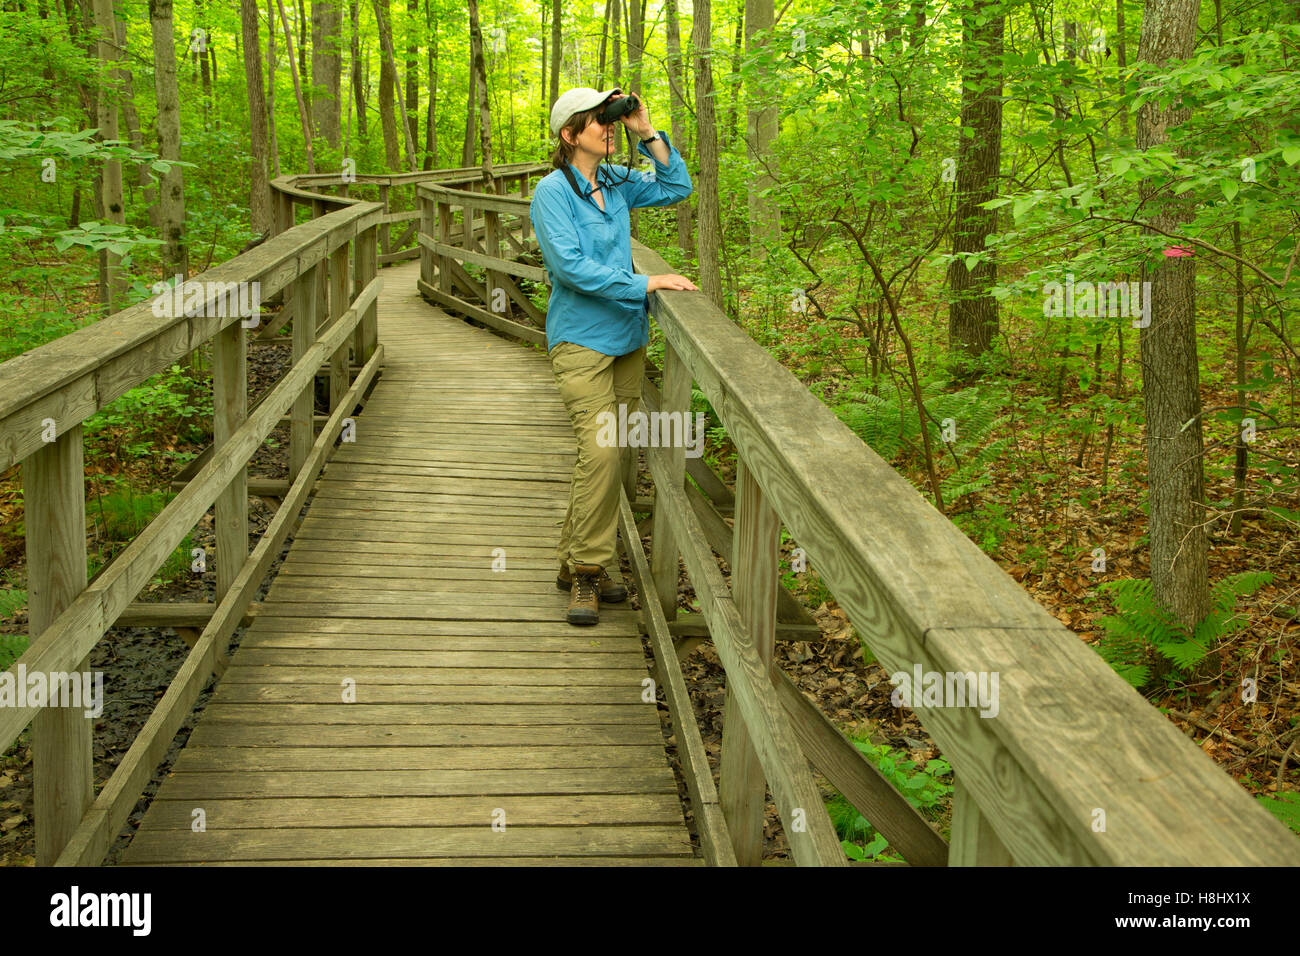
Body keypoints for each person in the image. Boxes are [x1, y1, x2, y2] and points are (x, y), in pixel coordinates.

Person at [530, 87, 698, 625]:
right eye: (598, 120)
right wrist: (647, 281)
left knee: (614, 453)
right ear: (569, 133)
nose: (608, 126)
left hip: (626, 338)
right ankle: (587, 572)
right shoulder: (552, 193)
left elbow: (677, 187)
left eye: (610, 118)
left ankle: (569, 560)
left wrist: (645, 130)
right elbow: (573, 268)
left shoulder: (618, 182)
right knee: (601, 452)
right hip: (580, 339)